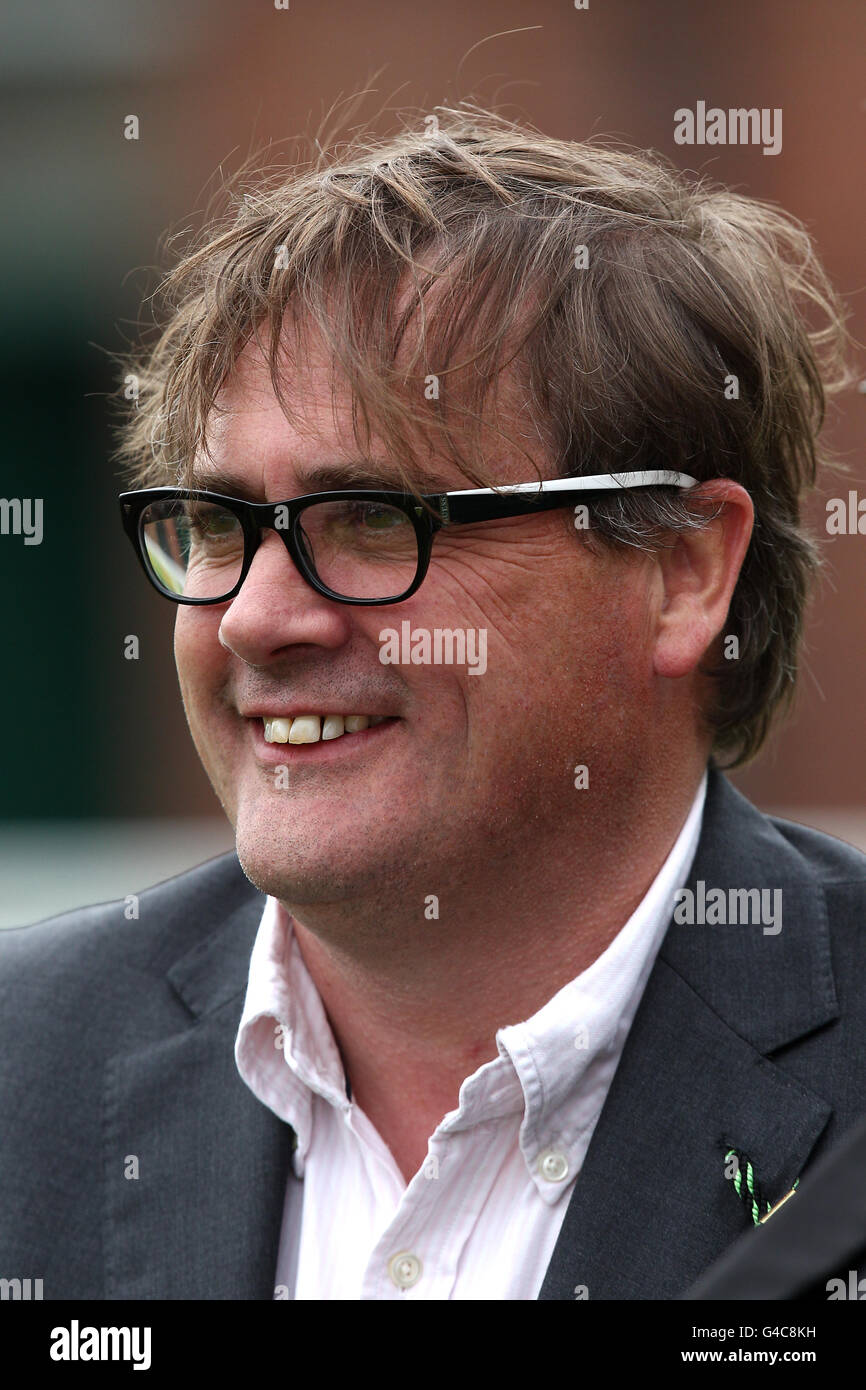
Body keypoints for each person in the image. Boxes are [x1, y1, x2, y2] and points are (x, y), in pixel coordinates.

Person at [1, 107, 864, 1301]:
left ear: (679, 570)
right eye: (217, 526)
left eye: (370, 519)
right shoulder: (20, 1075)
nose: (256, 617)